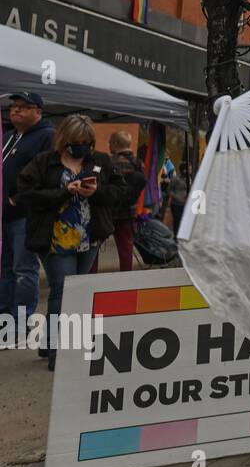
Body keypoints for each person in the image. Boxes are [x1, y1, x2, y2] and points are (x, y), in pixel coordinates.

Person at [17, 114, 126, 369]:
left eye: (87, 141)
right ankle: (59, 354)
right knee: (63, 292)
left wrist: (96, 192)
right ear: (64, 140)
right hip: (55, 238)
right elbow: (26, 194)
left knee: (75, 292)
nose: (82, 146)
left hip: (90, 238)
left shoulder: (100, 161)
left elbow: (122, 192)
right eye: (76, 141)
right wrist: (62, 192)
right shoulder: (45, 162)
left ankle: (49, 343)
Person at [2, 92, 54, 341]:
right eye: (14, 106)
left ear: (38, 111)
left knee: (23, 269)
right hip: (4, 215)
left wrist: (16, 199)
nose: (16, 111)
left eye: (24, 107)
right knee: (5, 268)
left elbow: (46, 176)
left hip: (25, 215)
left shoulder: (46, 136)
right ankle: (5, 318)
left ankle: (21, 325)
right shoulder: (8, 136)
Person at [102, 131, 146, 272]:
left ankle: (91, 276)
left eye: (110, 143)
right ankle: (126, 276)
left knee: (95, 246)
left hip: (108, 211)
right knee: (126, 248)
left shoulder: (108, 161)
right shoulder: (139, 163)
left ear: (115, 144)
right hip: (128, 211)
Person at [164, 161, 190, 232]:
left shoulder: (189, 179)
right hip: (176, 204)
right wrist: (177, 197)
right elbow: (169, 190)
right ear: (184, 170)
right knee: (177, 220)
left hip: (185, 204)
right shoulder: (176, 179)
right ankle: (176, 236)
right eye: (189, 169)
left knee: (183, 220)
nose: (190, 171)